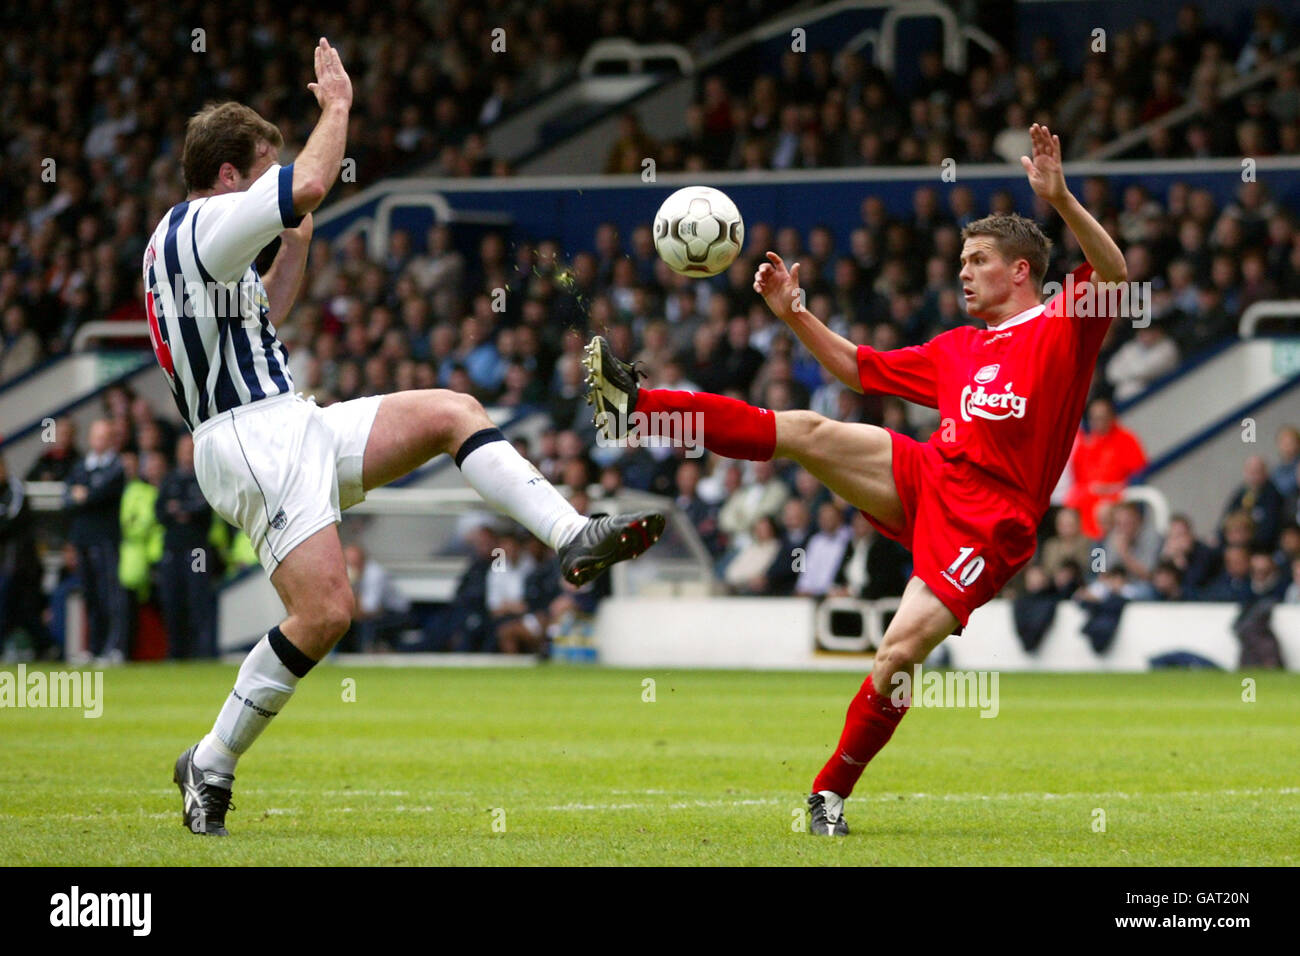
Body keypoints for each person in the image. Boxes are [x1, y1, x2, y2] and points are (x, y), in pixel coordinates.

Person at [150, 39, 664, 837]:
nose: (276, 186)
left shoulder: (191, 248)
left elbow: (263, 318)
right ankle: (210, 762)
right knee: (323, 616)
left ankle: (572, 534)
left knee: (453, 410)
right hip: (253, 438)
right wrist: (338, 107)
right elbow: (315, 180)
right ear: (227, 177)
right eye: (262, 168)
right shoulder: (206, 222)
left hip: (290, 420)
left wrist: (298, 249)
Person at [585, 124, 1127, 836]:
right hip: (931, 474)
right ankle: (636, 408)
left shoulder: (1064, 325)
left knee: (898, 653)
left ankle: (829, 794)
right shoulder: (956, 347)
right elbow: (859, 369)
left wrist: (1059, 198)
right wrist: (795, 314)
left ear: (1020, 271)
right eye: (961, 259)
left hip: (992, 521)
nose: (962, 272)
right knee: (809, 429)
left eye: (978, 260)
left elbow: (1115, 274)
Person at [63, 419, 128, 664]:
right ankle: (93, 647)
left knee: (110, 594)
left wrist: (84, 495)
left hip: (105, 539)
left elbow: (97, 494)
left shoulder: (116, 466)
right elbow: (67, 498)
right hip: (83, 539)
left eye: (104, 437)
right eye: (96, 436)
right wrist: (84, 496)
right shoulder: (82, 465)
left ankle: (114, 648)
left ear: (111, 440)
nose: (99, 441)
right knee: (89, 595)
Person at [155, 435, 217, 659]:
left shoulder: (204, 477)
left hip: (197, 549)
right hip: (173, 549)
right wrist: (184, 510)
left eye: (190, 449)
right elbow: (160, 511)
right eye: (183, 450)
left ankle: (203, 652)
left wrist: (180, 508)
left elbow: (205, 508)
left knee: (198, 598)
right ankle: (176, 652)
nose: (186, 454)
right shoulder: (170, 480)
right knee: (172, 599)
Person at [1062, 397, 1147, 539]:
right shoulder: (1086, 443)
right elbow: (1078, 479)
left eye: (1102, 418)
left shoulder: (1127, 439)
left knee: (1103, 511)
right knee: (1065, 516)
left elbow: (1138, 476)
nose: (1097, 423)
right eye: (1094, 419)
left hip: (1117, 497)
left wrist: (1110, 489)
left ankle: (1102, 550)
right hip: (1087, 497)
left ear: (1112, 417)